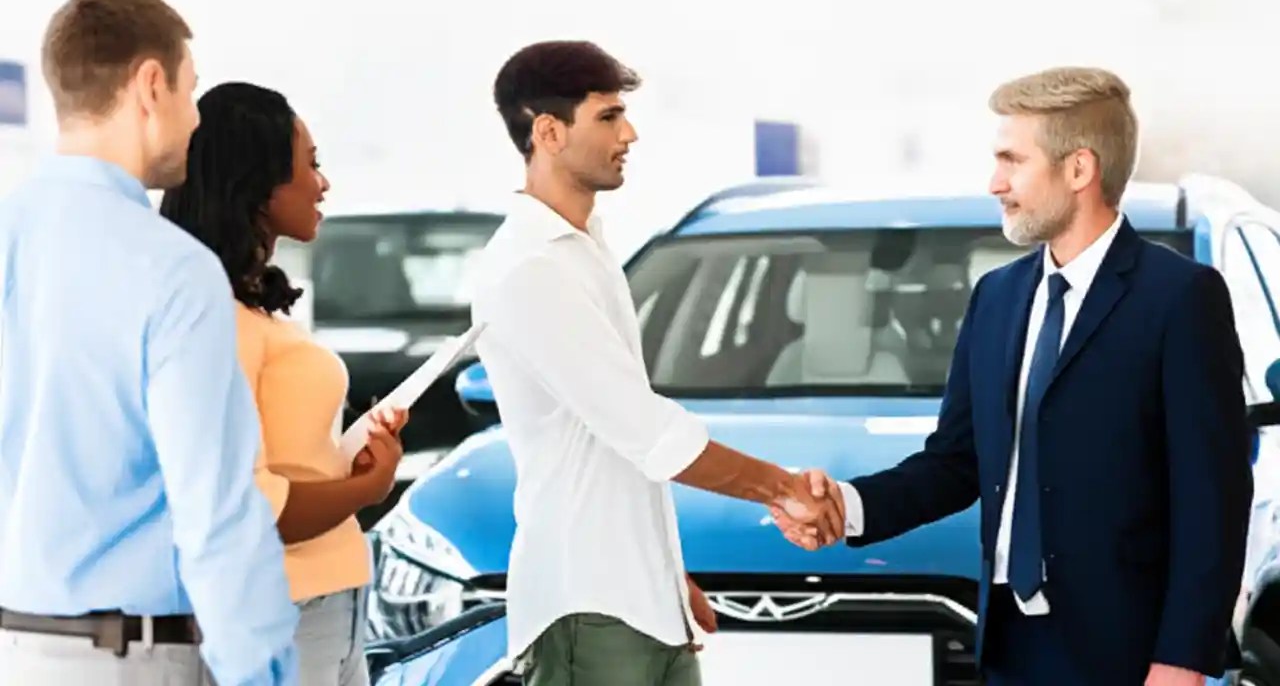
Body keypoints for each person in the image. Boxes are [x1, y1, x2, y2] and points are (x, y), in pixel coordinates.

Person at [773, 66, 1253, 685]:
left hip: (1127, 653)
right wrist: (849, 504)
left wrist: (1183, 659)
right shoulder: (997, 298)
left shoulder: (1181, 297)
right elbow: (956, 462)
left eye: (1012, 160)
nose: (995, 183)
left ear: (1079, 169)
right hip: (1009, 646)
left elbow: (1212, 498)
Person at [469, 40, 845, 686]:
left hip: (638, 601)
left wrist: (666, 575)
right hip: (589, 605)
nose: (630, 133)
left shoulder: (584, 249)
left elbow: (611, 452)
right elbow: (646, 431)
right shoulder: (532, 267)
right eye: (609, 117)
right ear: (549, 132)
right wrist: (782, 489)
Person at [0, 0, 298, 686]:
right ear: (151, 85)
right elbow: (217, 514)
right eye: (191, 93)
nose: (196, 120)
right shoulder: (171, 269)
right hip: (130, 658)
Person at [159, 81, 407, 686]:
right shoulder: (213, 315)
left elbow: (289, 464)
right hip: (281, 609)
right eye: (312, 164)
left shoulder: (252, 312)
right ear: (258, 182)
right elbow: (252, 506)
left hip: (329, 604)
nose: (323, 184)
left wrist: (350, 463)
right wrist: (366, 489)